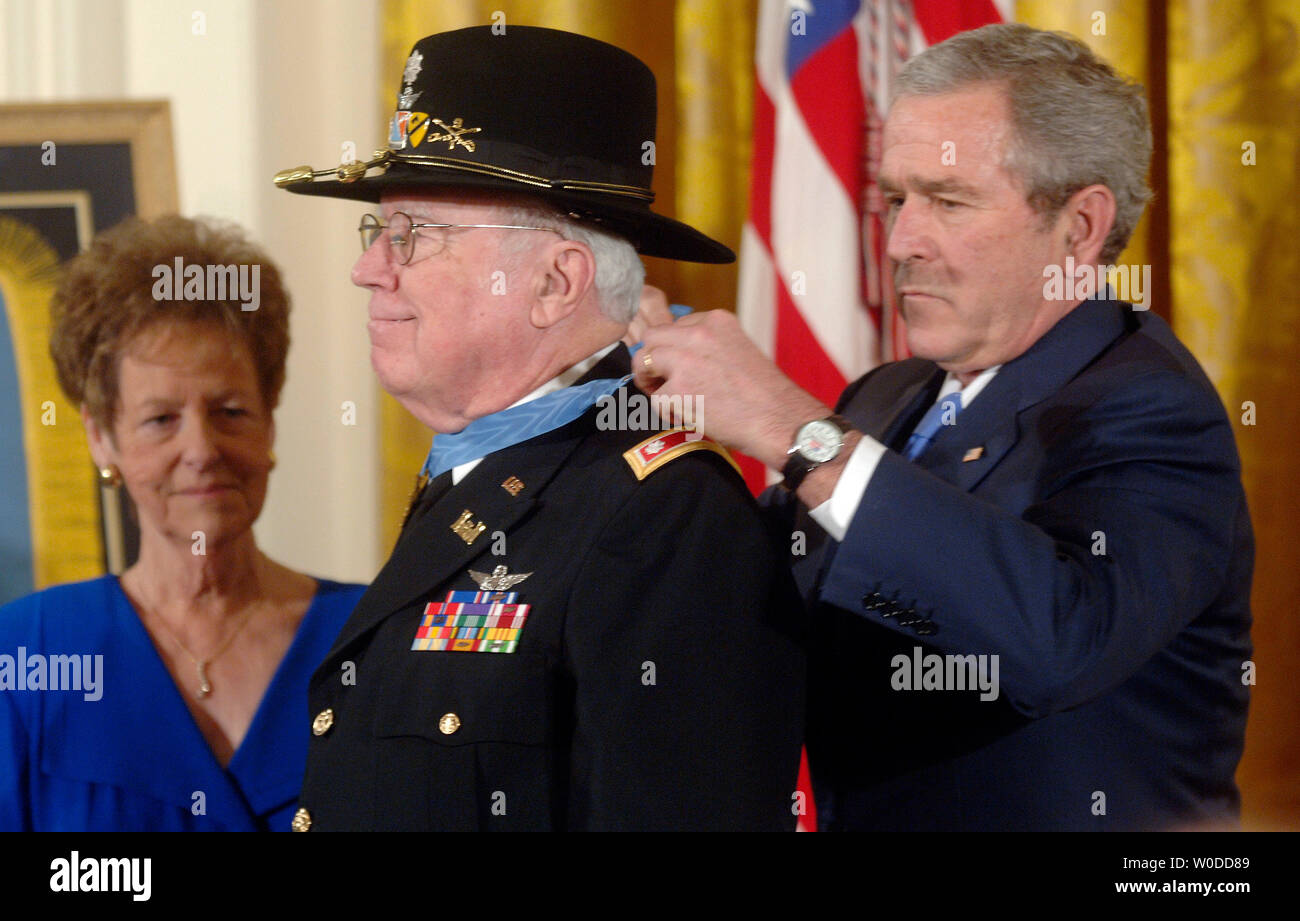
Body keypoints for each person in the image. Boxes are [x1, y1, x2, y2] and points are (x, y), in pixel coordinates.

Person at [634, 23, 1252, 831]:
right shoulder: (886, 396)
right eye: (895, 199)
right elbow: (740, 607)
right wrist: (615, 392)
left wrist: (792, 427)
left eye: (949, 201)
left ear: (1080, 225)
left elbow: (1055, 641)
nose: (899, 243)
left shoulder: (1149, 405)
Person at [274, 25, 805, 831]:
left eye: (412, 234)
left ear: (556, 282)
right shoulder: (487, 469)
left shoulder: (665, 518)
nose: (369, 267)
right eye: (377, 230)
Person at [0, 215, 366, 831]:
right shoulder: (27, 654)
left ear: (269, 422)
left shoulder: (370, 641)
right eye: (161, 419)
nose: (201, 449)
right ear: (101, 437)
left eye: (230, 411)